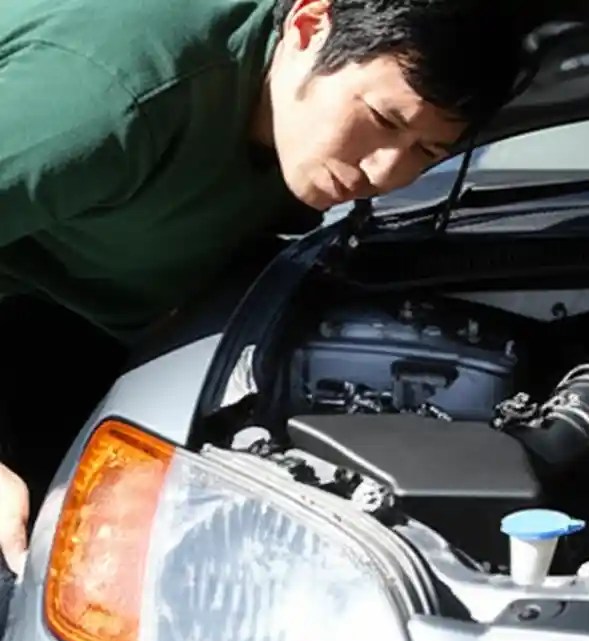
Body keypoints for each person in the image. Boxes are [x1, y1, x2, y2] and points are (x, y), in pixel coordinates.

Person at [0, 0, 524, 578]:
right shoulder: (109, 97)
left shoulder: (297, 125)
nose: (383, 173)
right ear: (309, 26)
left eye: (428, 152)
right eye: (385, 121)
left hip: (95, 331)